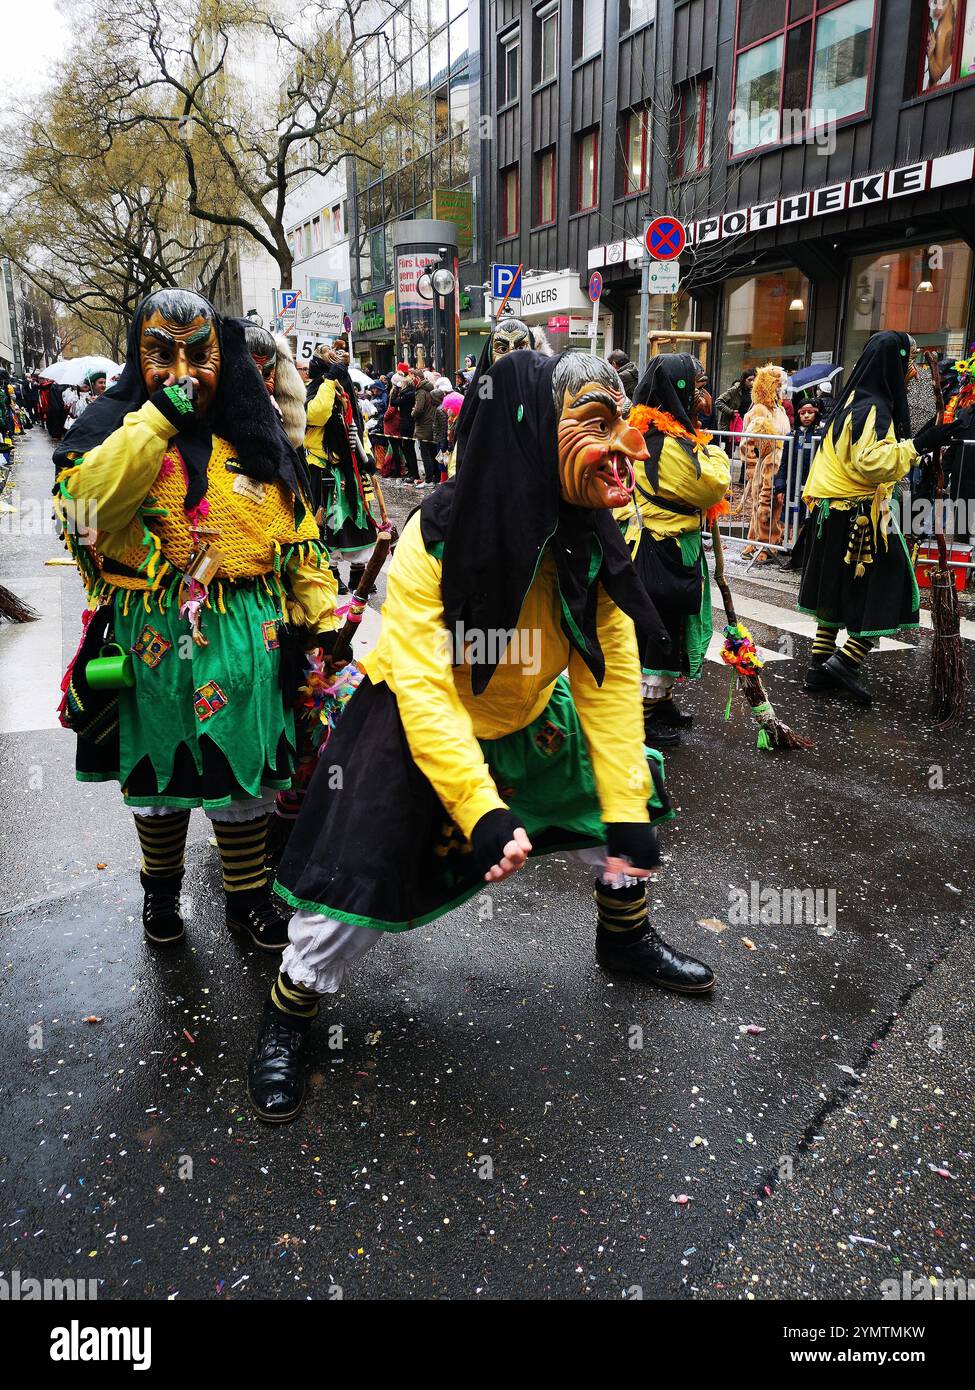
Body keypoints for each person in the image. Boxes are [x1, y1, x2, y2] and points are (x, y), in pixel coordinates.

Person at [246, 350, 716, 1122]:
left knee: (623, 815)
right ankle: (288, 1012)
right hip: (420, 725)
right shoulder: (440, 530)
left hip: (527, 713)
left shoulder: (596, 525)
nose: (631, 446)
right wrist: (480, 807)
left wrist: (626, 801)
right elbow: (426, 687)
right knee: (353, 890)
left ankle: (624, 935)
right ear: (533, 430)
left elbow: (607, 669)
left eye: (623, 422)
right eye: (597, 425)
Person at [53, 288, 338, 950]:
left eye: (198, 355)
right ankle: (160, 892)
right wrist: (151, 423)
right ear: (137, 358)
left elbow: (302, 549)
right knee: (160, 773)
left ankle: (247, 899)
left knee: (243, 767)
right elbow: (87, 515)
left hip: (248, 633)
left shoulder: (256, 438)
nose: (181, 373)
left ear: (223, 358)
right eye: (159, 354)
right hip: (153, 633)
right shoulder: (108, 432)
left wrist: (323, 618)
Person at [798, 330, 959, 705]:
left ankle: (818, 668)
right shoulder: (873, 407)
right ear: (894, 363)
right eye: (910, 362)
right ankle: (845, 662)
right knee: (896, 587)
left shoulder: (854, 398)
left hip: (834, 514)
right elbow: (870, 463)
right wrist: (922, 444)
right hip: (859, 516)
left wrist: (918, 449)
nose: (914, 373)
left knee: (834, 592)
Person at [624, 355, 732, 749]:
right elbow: (711, 485)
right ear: (680, 389)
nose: (704, 395)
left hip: (673, 548)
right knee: (659, 633)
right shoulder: (662, 443)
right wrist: (714, 451)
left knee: (674, 628)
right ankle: (642, 717)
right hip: (660, 550)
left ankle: (663, 701)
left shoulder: (671, 436)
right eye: (698, 385)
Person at [304, 345, 382, 592]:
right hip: (322, 468)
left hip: (353, 469)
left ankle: (359, 577)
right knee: (326, 524)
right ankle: (331, 575)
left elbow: (359, 428)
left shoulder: (348, 394)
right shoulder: (312, 392)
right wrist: (329, 381)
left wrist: (367, 456)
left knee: (360, 523)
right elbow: (316, 415)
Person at [740, 364, 791, 563]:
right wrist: (752, 468)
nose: (781, 389)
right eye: (777, 385)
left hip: (779, 461)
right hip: (766, 464)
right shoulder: (760, 409)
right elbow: (748, 442)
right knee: (764, 504)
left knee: (772, 503)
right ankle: (762, 545)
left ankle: (760, 542)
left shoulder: (778, 409)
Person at [411, 370, 438, 485]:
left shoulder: (421, 392)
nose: (412, 381)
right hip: (431, 423)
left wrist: (413, 413)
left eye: (413, 379)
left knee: (425, 454)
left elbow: (419, 409)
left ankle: (428, 480)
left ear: (417, 378)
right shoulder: (430, 389)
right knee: (431, 452)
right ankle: (435, 478)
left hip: (423, 426)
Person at [715, 369, 755, 434]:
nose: (752, 382)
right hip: (732, 425)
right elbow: (718, 402)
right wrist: (731, 412)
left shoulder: (754, 392)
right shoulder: (735, 389)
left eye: (754, 380)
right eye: (749, 380)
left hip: (747, 426)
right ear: (744, 379)